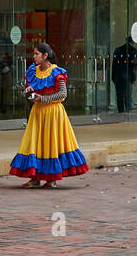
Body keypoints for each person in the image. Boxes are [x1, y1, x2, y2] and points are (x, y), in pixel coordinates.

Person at [9, 42, 88, 187]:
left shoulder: (56, 71)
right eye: (34, 54)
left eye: (36, 54)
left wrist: (43, 98)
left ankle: (51, 179)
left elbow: (63, 93)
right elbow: (34, 93)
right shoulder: (33, 71)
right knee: (35, 144)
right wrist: (29, 93)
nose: (34, 57)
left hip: (53, 114)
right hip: (37, 113)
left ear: (45, 55)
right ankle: (35, 178)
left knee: (51, 144)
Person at [110, 37, 137, 113]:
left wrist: (113, 77)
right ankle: (128, 114)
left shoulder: (117, 50)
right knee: (127, 97)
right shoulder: (133, 50)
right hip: (127, 77)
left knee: (119, 96)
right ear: (134, 42)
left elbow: (114, 65)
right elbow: (133, 66)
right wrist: (133, 78)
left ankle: (121, 113)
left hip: (118, 77)